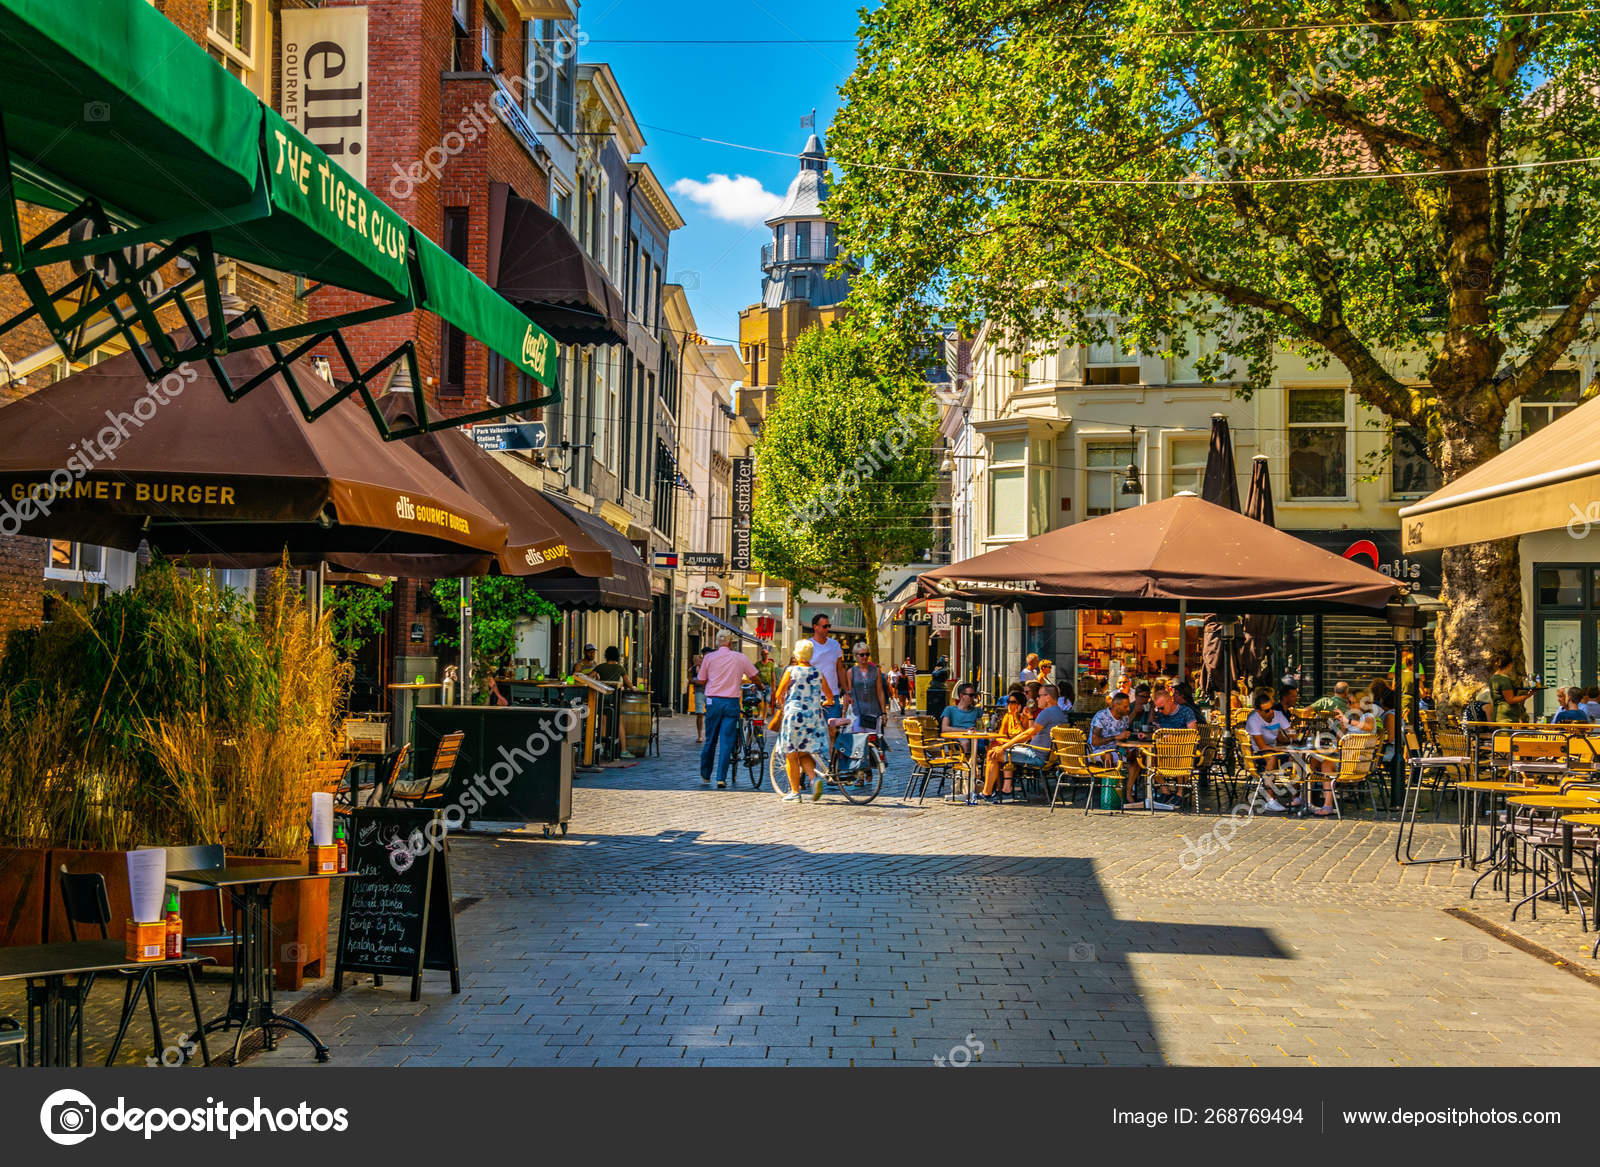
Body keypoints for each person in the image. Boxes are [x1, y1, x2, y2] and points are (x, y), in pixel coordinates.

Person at [981, 683, 1071, 803]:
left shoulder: (1046, 713)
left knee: (993, 753)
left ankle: (987, 794)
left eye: (1039, 696)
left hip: (1037, 755)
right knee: (998, 751)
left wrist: (1003, 747)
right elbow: (1033, 736)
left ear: (1048, 697)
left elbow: (1027, 734)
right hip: (1049, 756)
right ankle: (1001, 790)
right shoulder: (1060, 713)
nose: (1036, 699)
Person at [772, 638, 834, 802]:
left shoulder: (792, 671)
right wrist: (823, 702)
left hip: (794, 716)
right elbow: (830, 697)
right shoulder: (817, 672)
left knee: (791, 754)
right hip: (812, 717)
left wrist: (785, 703)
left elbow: (779, 693)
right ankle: (814, 779)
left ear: (797, 653)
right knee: (804, 751)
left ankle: (795, 792)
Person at [696, 633, 760, 789]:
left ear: (717, 643)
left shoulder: (709, 658)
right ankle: (721, 778)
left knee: (710, 739)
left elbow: (701, 680)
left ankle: (705, 774)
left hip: (713, 701)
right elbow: (754, 675)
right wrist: (762, 686)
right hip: (731, 702)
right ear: (730, 643)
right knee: (726, 741)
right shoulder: (740, 657)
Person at [977, 692, 1033, 804]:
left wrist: (1018, 719)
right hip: (1009, 746)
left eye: (1013, 702)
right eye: (1008, 702)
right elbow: (1001, 735)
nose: (1009, 705)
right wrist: (1005, 743)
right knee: (993, 751)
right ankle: (995, 790)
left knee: (992, 753)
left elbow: (1026, 737)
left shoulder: (1026, 717)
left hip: (1021, 748)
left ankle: (990, 791)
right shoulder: (1008, 716)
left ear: (1020, 705)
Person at [1090, 691, 1138, 805]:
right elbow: (1094, 741)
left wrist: (1126, 746)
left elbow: (1121, 739)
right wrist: (1116, 737)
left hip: (1117, 750)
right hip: (1097, 751)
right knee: (1108, 756)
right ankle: (1109, 795)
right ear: (1117, 706)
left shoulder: (1125, 718)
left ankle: (1128, 792)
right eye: (1125, 706)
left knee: (1136, 759)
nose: (1128, 709)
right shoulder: (1101, 716)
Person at [807, 616, 848, 724]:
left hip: (832, 696)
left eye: (829, 626)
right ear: (815, 627)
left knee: (833, 730)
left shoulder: (835, 645)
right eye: (825, 626)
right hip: (812, 696)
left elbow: (840, 669)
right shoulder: (808, 646)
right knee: (813, 733)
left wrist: (847, 691)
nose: (827, 629)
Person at [848, 643, 891, 732]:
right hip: (857, 713)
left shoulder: (876, 670)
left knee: (873, 742)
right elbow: (848, 694)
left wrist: (884, 712)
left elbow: (880, 692)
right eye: (862, 655)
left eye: (867, 654)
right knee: (859, 743)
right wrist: (844, 713)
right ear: (856, 656)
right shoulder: (851, 672)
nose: (865, 657)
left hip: (873, 712)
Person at [1490, 651, 1531, 723]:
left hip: (1499, 715)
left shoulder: (1493, 678)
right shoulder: (1504, 679)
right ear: (1509, 665)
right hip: (1507, 718)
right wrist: (1528, 695)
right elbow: (1510, 699)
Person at [687, 651, 707, 742]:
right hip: (699, 692)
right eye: (696, 660)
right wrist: (696, 681)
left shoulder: (707, 668)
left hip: (709, 692)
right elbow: (690, 680)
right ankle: (700, 735)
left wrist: (697, 681)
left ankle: (709, 734)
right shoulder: (693, 669)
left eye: (700, 660)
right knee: (699, 713)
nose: (698, 661)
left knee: (712, 713)